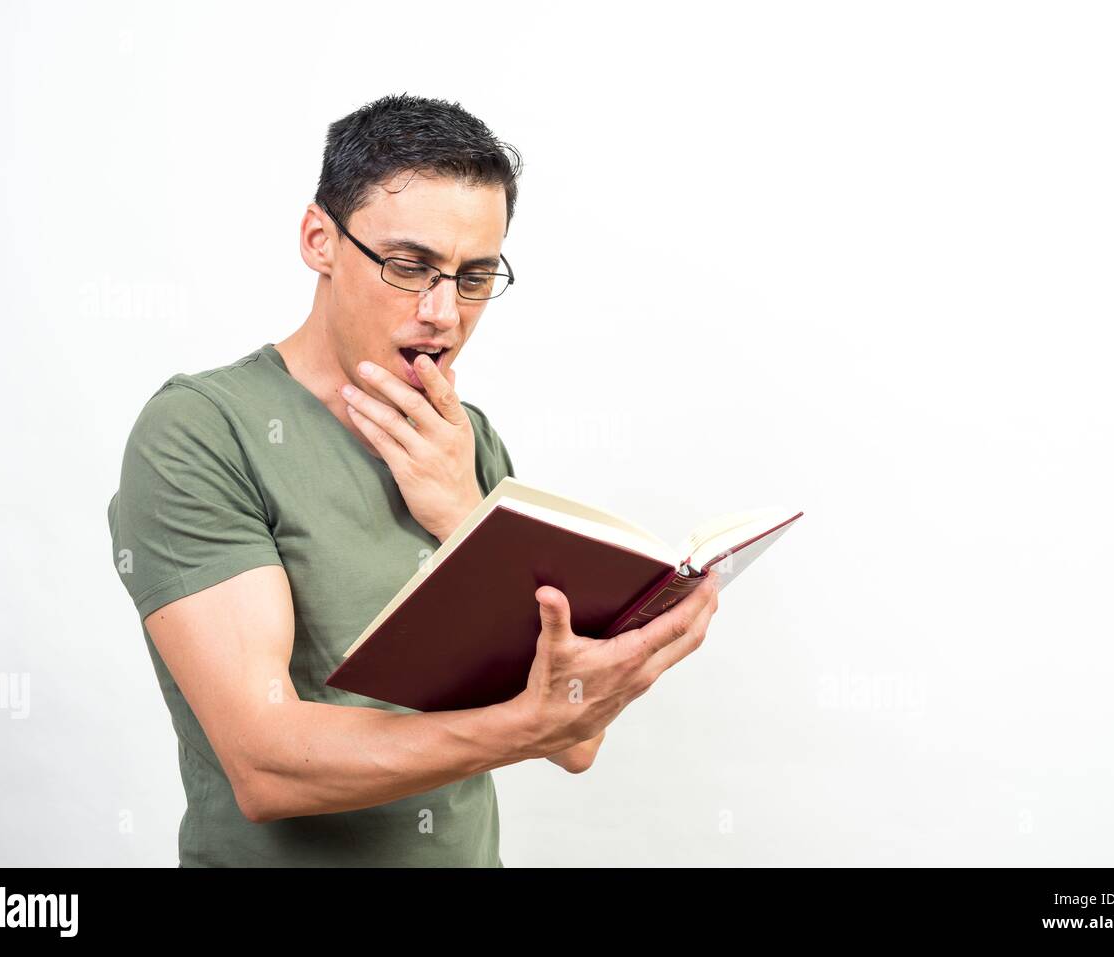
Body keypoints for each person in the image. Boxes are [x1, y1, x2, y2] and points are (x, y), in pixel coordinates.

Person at [107, 93, 720, 867]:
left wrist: (467, 513)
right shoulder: (202, 430)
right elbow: (265, 763)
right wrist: (527, 725)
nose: (444, 313)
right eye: (410, 267)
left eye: (474, 276)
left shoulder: (467, 440)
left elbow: (577, 737)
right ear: (319, 238)